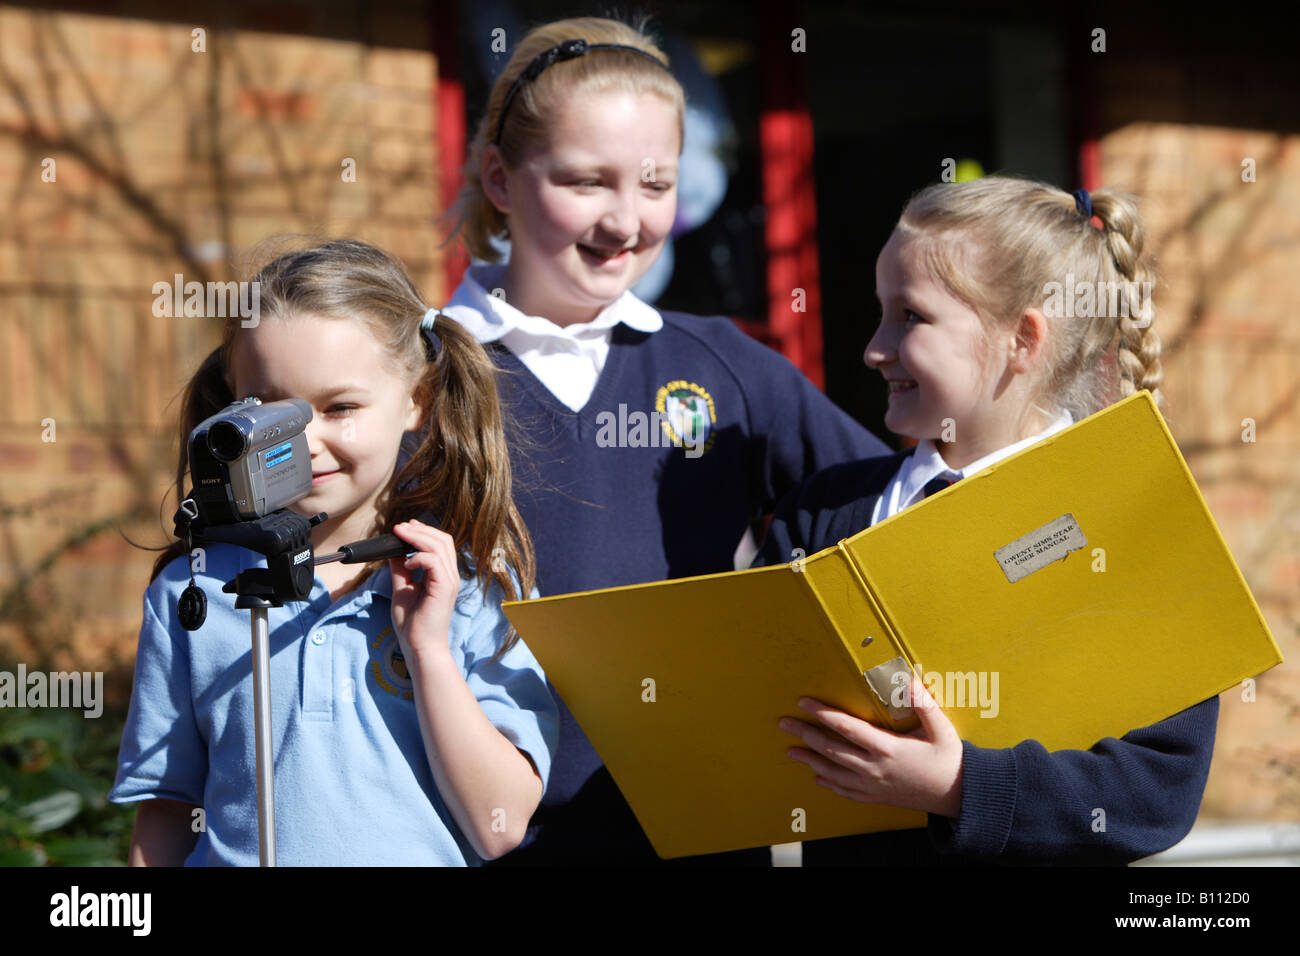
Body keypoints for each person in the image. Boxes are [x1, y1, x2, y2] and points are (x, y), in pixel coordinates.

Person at [439, 15, 891, 865]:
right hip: (469, 839)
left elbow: (890, 513)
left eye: (655, 183)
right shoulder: (416, 374)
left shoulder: (724, 364)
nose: (626, 219)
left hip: (702, 836)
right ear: (499, 177)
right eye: (586, 181)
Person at [755, 176, 1218, 865]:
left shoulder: (1131, 527)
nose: (874, 349)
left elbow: (1155, 793)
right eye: (880, 313)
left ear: (1022, 339)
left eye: (910, 317)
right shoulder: (820, 517)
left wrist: (959, 785)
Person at [109, 239, 558, 866]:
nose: (304, 441)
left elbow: (498, 826)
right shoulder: (193, 593)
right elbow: (165, 813)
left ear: (416, 401)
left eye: (340, 407)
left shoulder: (478, 585)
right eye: (269, 410)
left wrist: (427, 648)